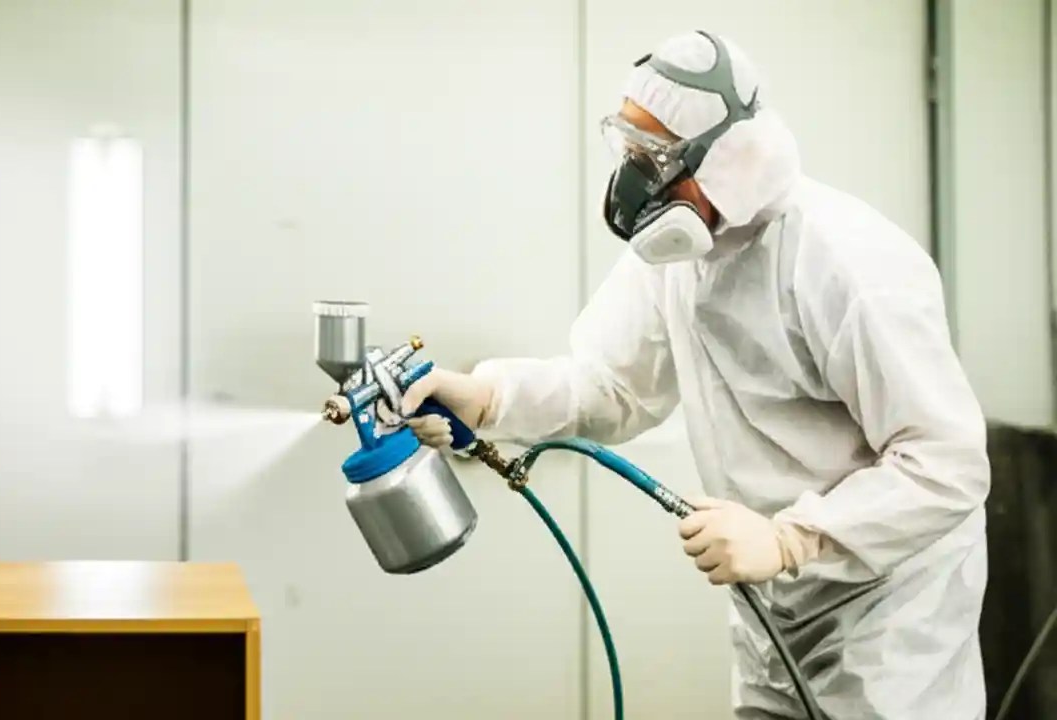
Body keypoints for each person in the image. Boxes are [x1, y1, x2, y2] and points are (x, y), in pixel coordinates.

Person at [401, 30, 990, 720]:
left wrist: (793, 538)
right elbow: (612, 386)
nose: (631, 182)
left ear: (726, 161)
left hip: (888, 618)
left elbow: (946, 463)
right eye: (626, 151)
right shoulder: (683, 255)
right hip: (772, 600)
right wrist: (490, 397)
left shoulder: (847, 264)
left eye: (650, 158)